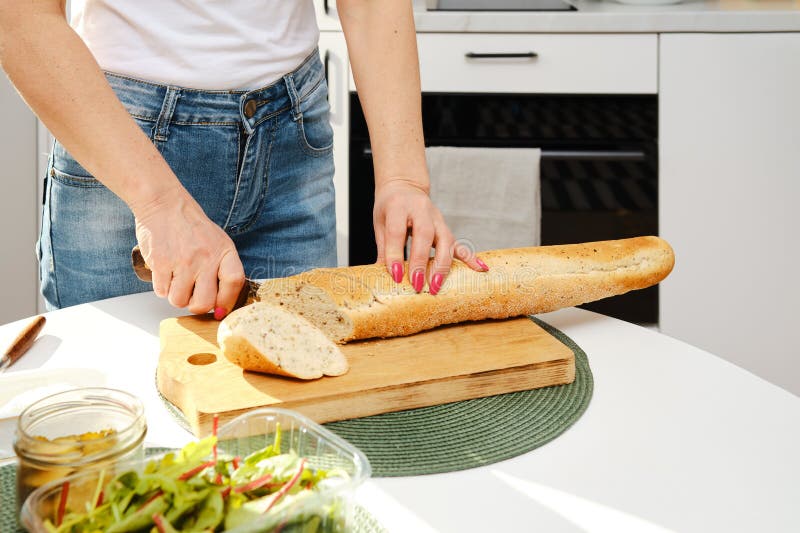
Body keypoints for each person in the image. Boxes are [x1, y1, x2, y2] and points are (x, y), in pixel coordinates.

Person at [0, 0, 487, 319]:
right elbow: (19, 16)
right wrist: (160, 206)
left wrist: (405, 180)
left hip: (293, 134)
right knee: (115, 432)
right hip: (125, 148)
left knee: (297, 434)